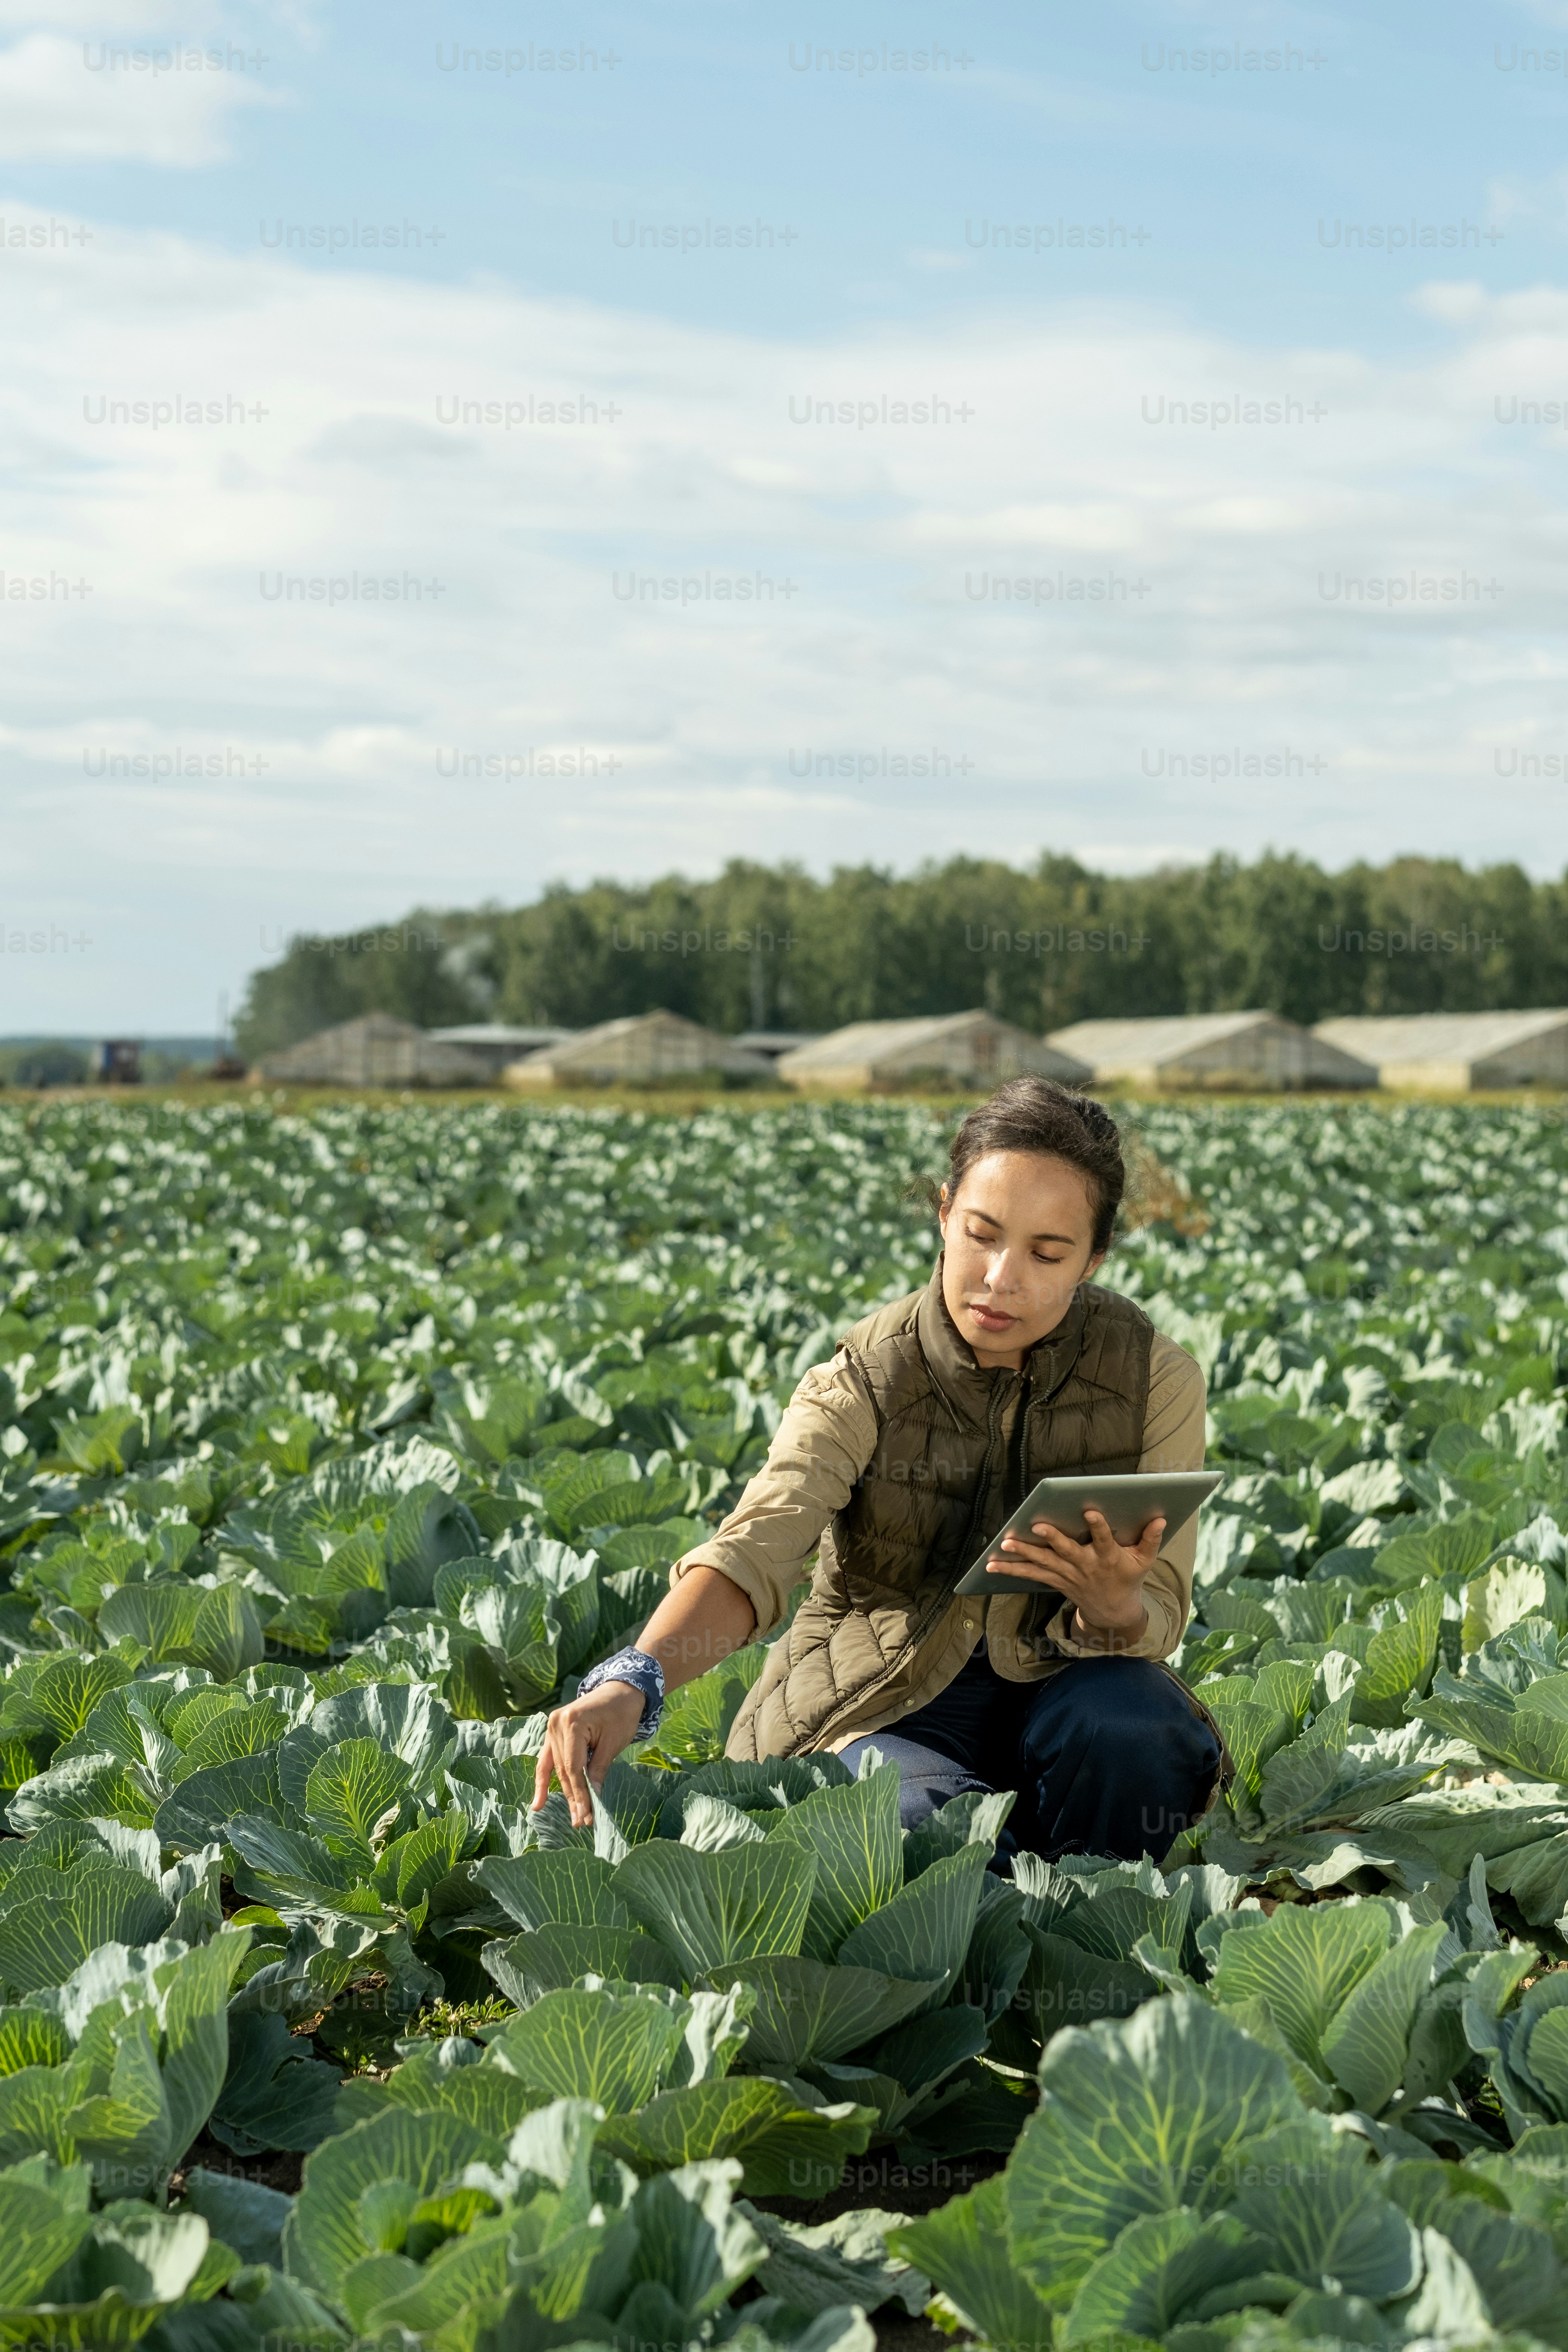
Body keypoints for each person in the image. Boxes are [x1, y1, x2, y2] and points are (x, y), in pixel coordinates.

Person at [533, 1076, 1225, 1867]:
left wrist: (1115, 1609)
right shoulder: (866, 1373)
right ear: (942, 1213)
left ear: (1093, 1259)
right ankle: (993, 1902)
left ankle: (1100, 1921)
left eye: (1046, 1252)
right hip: (885, 1704)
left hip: (1069, 1683)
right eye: (981, 1233)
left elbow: (1160, 1605)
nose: (1001, 1277)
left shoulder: (1153, 1379)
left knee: (1139, 1734)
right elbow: (758, 1546)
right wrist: (635, 1680)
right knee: (913, 1834)